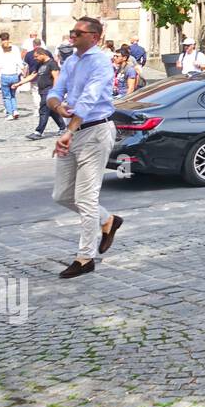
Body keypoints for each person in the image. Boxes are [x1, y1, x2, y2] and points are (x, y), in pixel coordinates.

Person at [46, 17, 124, 280]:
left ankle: (85, 258)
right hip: (74, 131)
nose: (73, 36)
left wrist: (68, 130)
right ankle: (108, 220)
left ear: (95, 36)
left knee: (86, 198)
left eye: (79, 32)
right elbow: (54, 92)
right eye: (72, 31)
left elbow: (90, 97)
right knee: (61, 194)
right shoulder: (70, 61)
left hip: (95, 131)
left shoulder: (101, 61)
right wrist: (58, 107)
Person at [14, 47, 65, 140]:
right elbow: (33, 75)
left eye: (36, 56)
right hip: (42, 91)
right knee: (53, 112)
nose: (35, 59)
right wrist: (19, 83)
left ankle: (38, 132)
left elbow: (56, 78)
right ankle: (63, 128)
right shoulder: (40, 64)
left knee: (43, 111)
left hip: (49, 91)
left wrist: (54, 92)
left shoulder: (52, 64)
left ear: (43, 54)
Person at [0, 32, 24, 120]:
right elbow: (21, 64)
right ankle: (15, 110)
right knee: (13, 95)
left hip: (4, 75)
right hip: (14, 75)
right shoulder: (15, 50)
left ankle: (10, 113)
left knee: (6, 96)